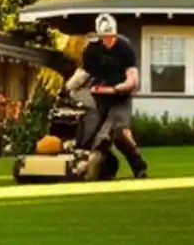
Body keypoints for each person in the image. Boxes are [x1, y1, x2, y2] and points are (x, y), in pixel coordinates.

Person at [64, 13, 149, 179]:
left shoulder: (124, 47)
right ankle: (104, 169)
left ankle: (139, 167)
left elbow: (132, 77)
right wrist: (68, 88)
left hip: (120, 98)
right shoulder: (92, 50)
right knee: (95, 139)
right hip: (100, 100)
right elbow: (85, 73)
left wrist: (118, 88)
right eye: (105, 37)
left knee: (118, 134)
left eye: (111, 36)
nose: (108, 40)